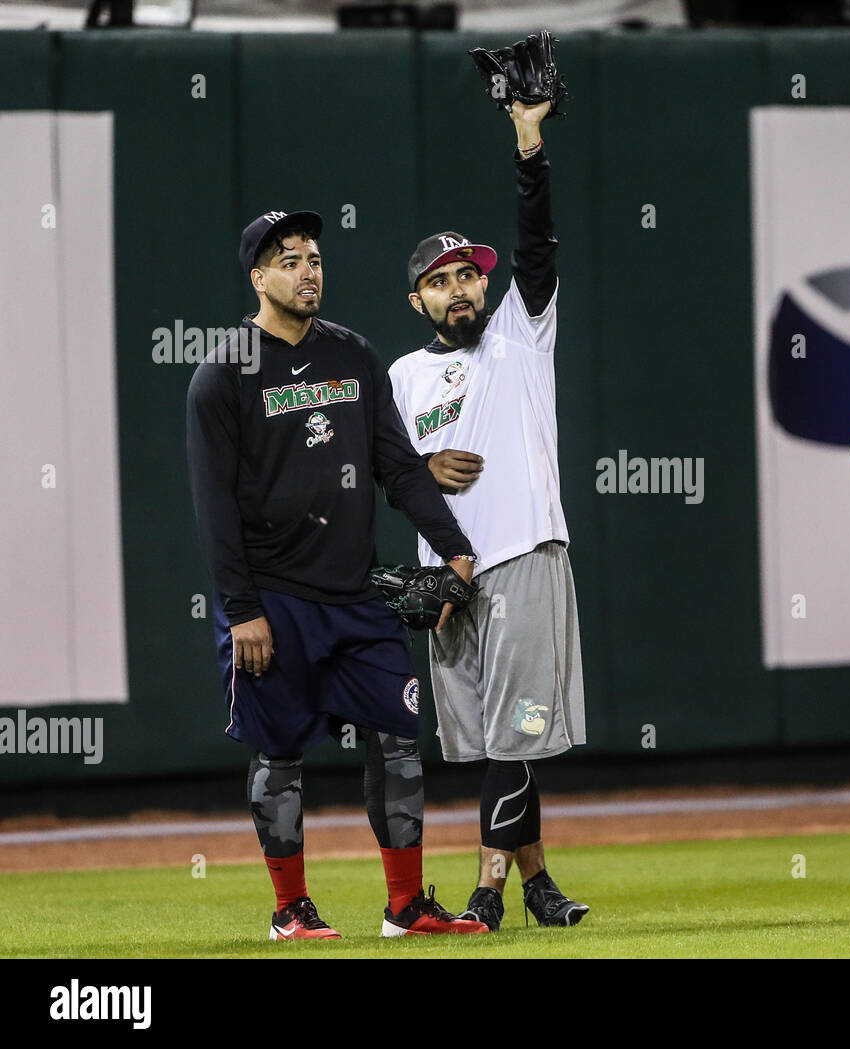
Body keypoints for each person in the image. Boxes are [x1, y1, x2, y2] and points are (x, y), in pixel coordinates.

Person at [186, 209, 489, 939]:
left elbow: (398, 468)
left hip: (356, 596)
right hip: (275, 600)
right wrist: (241, 607)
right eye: (289, 260)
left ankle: (406, 906)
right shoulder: (224, 372)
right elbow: (213, 506)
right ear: (258, 277)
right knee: (281, 751)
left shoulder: (353, 356)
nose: (308, 270)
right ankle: (290, 909)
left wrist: (454, 547)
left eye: (314, 257)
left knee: (398, 737)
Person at [387, 98, 588, 930]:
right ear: (418, 301)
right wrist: (425, 469)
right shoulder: (400, 374)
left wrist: (528, 140)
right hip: (449, 580)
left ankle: (488, 891)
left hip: (523, 553)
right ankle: (541, 884)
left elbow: (536, 244)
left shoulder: (518, 331)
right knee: (488, 737)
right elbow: (390, 473)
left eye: (468, 272)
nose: (459, 287)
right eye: (441, 280)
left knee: (512, 734)